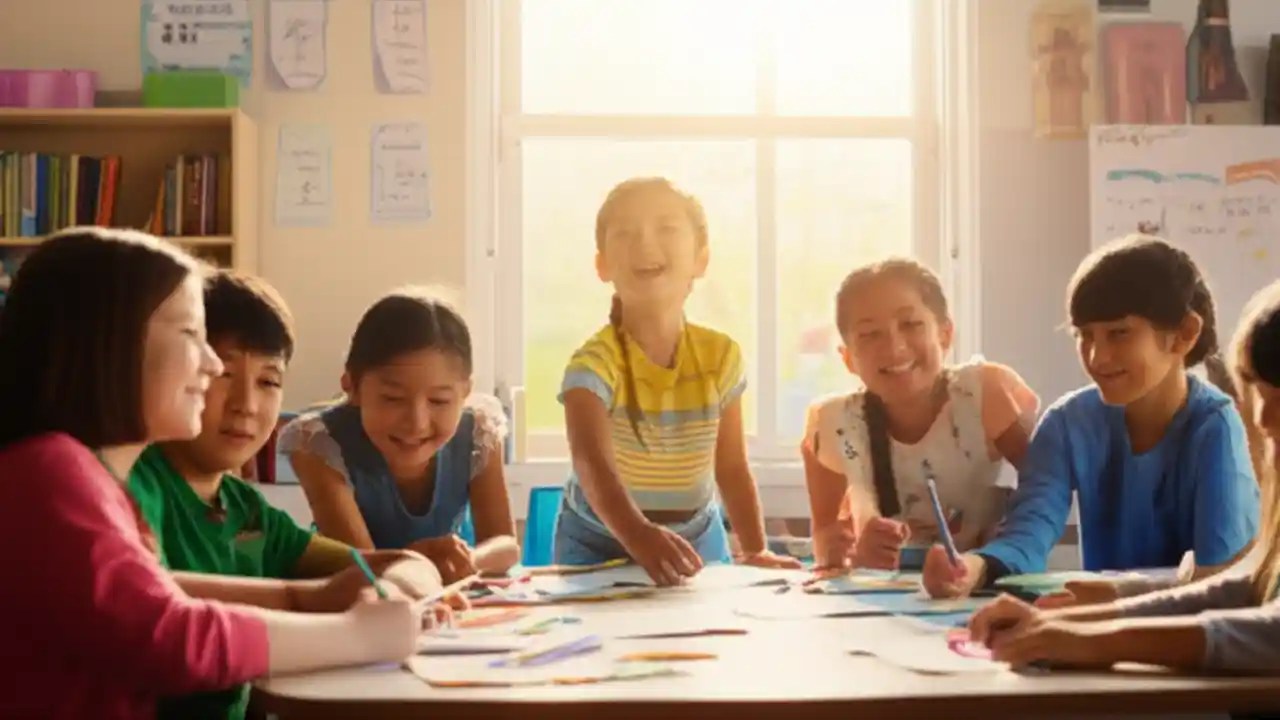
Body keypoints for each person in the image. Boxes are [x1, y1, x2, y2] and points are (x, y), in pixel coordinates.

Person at [0, 228, 420, 719]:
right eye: (190, 335)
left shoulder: (84, 479)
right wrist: (358, 637)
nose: (211, 363)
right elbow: (170, 636)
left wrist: (320, 600)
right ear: (108, 343)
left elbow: (156, 597)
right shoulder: (49, 472)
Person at [128, 269, 449, 720]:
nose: (246, 404)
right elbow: (144, 602)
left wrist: (397, 590)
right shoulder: (135, 484)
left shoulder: (248, 511)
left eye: (268, 381)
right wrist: (319, 600)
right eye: (223, 373)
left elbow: (385, 564)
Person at [967, 278, 1280, 676]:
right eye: (1259, 392)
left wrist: (1095, 639)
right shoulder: (1069, 419)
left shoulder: (1214, 422)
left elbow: (1269, 629)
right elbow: (1245, 587)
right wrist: (1064, 622)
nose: (1262, 418)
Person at [924, 235, 1259, 599]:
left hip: (1187, 629)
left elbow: (1218, 577)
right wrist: (974, 567)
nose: (1097, 357)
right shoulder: (1067, 423)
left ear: (1184, 335)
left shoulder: (1216, 427)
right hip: (1103, 623)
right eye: (1084, 335)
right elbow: (1028, 534)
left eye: (1119, 333)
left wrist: (1111, 600)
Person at [555, 177, 800, 584]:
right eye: (626, 232)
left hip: (696, 535)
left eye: (666, 228)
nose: (645, 243)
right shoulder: (591, 365)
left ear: (701, 259)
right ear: (602, 265)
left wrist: (756, 549)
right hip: (597, 540)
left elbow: (731, 466)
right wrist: (638, 535)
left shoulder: (721, 356)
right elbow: (590, 464)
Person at [803, 258, 1038, 572]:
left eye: (911, 324)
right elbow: (826, 543)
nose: (894, 347)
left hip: (986, 580)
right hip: (881, 593)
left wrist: (1008, 537)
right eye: (870, 334)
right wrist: (853, 553)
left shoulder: (982, 395)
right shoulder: (834, 424)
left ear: (945, 334)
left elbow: (1048, 487)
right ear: (847, 358)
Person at [283, 289, 520, 583]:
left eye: (439, 401)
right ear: (351, 386)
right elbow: (363, 569)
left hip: (436, 593)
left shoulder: (478, 430)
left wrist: (468, 559)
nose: (417, 424)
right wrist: (422, 561)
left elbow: (505, 545)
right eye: (393, 399)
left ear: (465, 393)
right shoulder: (318, 444)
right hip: (357, 596)